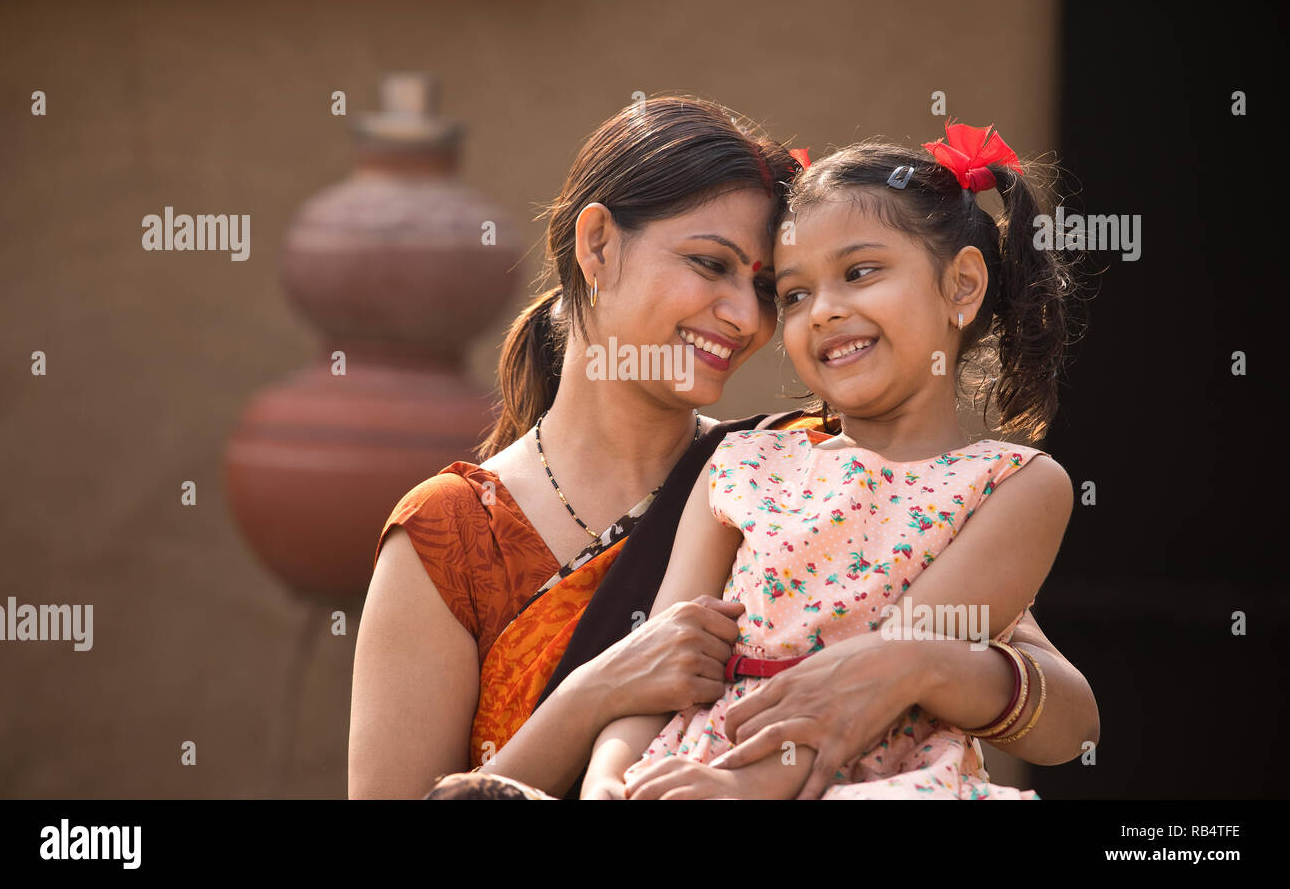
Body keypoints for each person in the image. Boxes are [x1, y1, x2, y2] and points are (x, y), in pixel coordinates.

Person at [347, 100, 1100, 800]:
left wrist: (912, 664)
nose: (745, 316)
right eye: (709, 264)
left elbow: (1069, 722)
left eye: (769, 288)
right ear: (598, 245)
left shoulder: (807, 462)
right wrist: (591, 699)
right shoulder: (455, 535)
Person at [582, 123, 1083, 799]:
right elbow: (660, 667)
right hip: (694, 771)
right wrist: (608, 776)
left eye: (860, 272)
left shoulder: (1010, 486)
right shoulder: (742, 464)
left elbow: (880, 675)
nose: (822, 312)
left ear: (961, 287)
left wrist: (741, 790)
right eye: (793, 294)